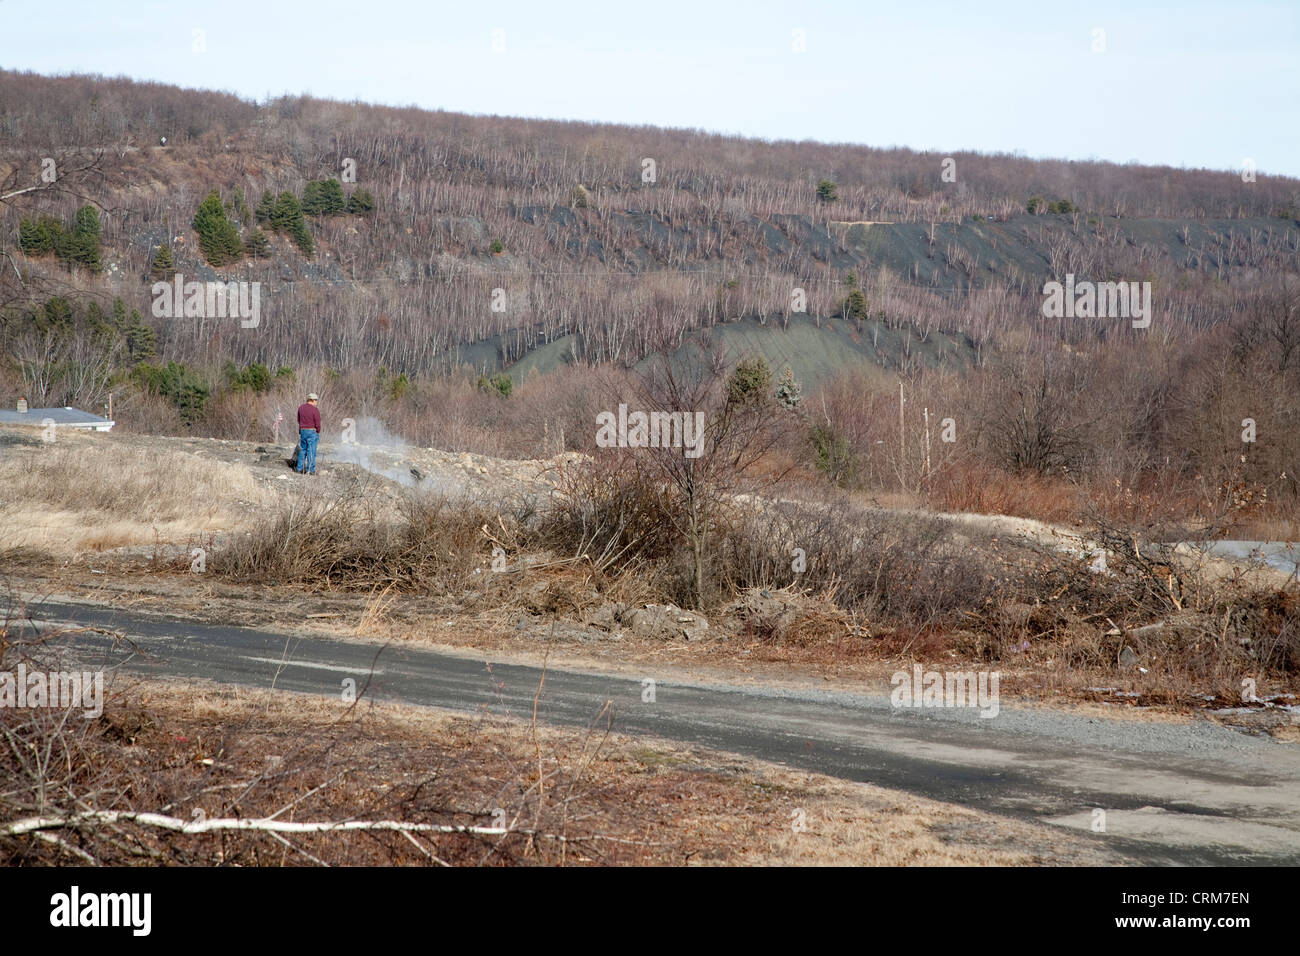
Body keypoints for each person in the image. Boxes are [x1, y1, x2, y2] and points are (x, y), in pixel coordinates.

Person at [296, 392, 321, 475]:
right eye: (316, 400)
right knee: (311, 450)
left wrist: (301, 429)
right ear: (312, 400)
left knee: (303, 450)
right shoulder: (314, 409)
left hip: (303, 431)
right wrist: (318, 430)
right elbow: (317, 422)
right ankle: (310, 470)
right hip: (312, 431)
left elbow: (298, 420)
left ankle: (299, 468)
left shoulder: (301, 408)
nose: (316, 402)